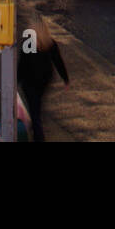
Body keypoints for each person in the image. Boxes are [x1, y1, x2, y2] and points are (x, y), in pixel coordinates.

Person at [18, 16, 69, 144]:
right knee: (37, 104)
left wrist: (16, 80)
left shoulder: (27, 43)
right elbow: (58, 62)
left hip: (29, 80)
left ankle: (38, 135)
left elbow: (22, 64)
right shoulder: (50, 43)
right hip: (44, 79)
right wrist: (65, 79)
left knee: (33, 108)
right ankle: (37, 127)